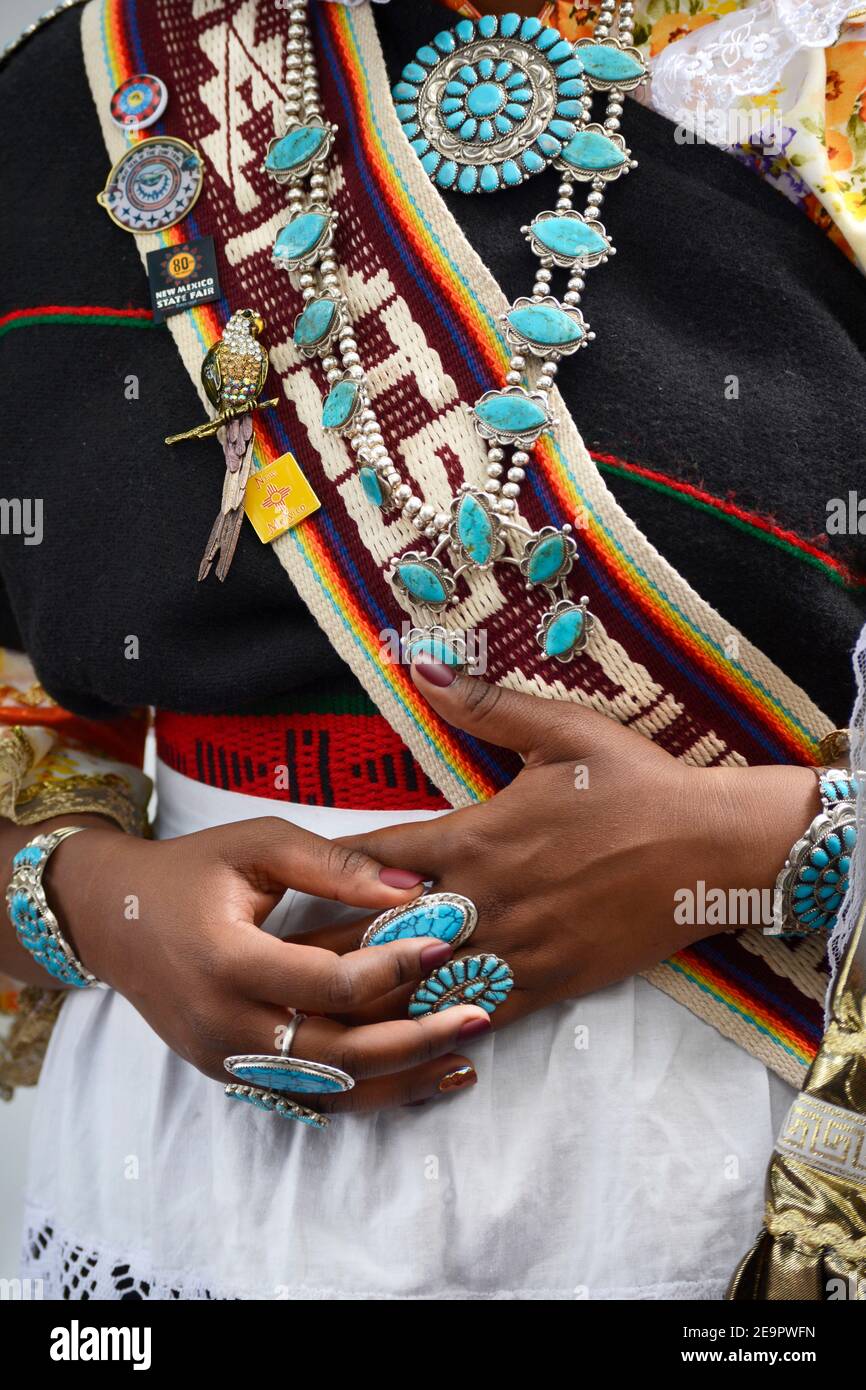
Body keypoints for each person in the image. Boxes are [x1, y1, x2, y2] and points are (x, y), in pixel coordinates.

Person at [1, 0, 864, 1300]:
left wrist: (767, 855)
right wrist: (96, 906)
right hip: (169, 1157)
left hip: (727, 1153)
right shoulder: (86, 95)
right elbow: (32, 700)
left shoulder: (819, 74)